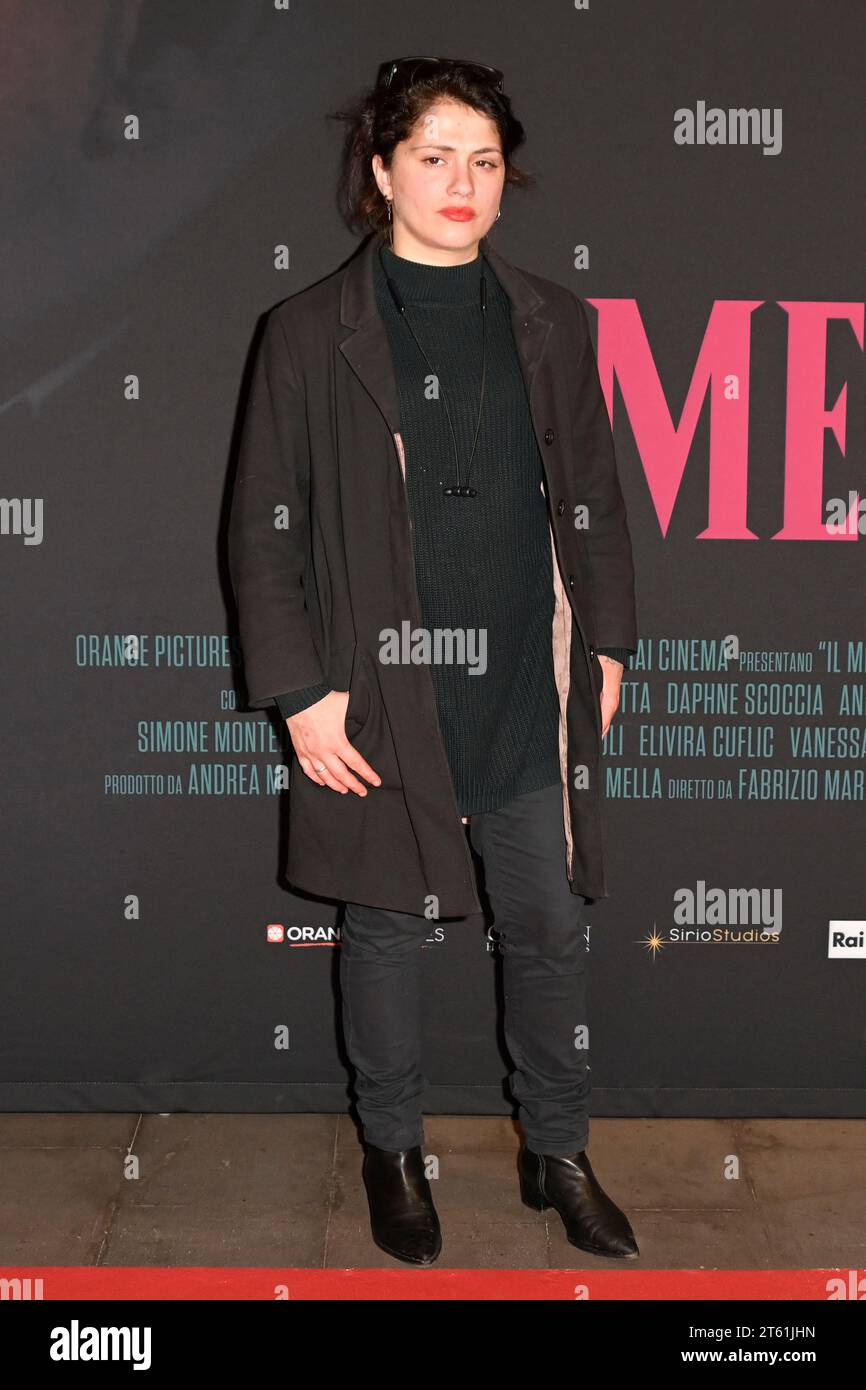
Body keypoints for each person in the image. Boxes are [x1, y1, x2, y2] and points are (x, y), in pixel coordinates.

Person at [228, 55, 639, 1266]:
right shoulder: (306, 333)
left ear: (505, 179)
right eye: (432, 157)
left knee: (548, 927)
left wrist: (606, 644)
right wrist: (298, 690)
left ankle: (555, 1148)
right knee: (387, 935)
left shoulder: (552, 321)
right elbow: (262, 528)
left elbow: (597, 502)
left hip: (519, 676)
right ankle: (391, 1147)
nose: (460, 183)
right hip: (378, 691)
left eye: (484, 161)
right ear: (380, 173)